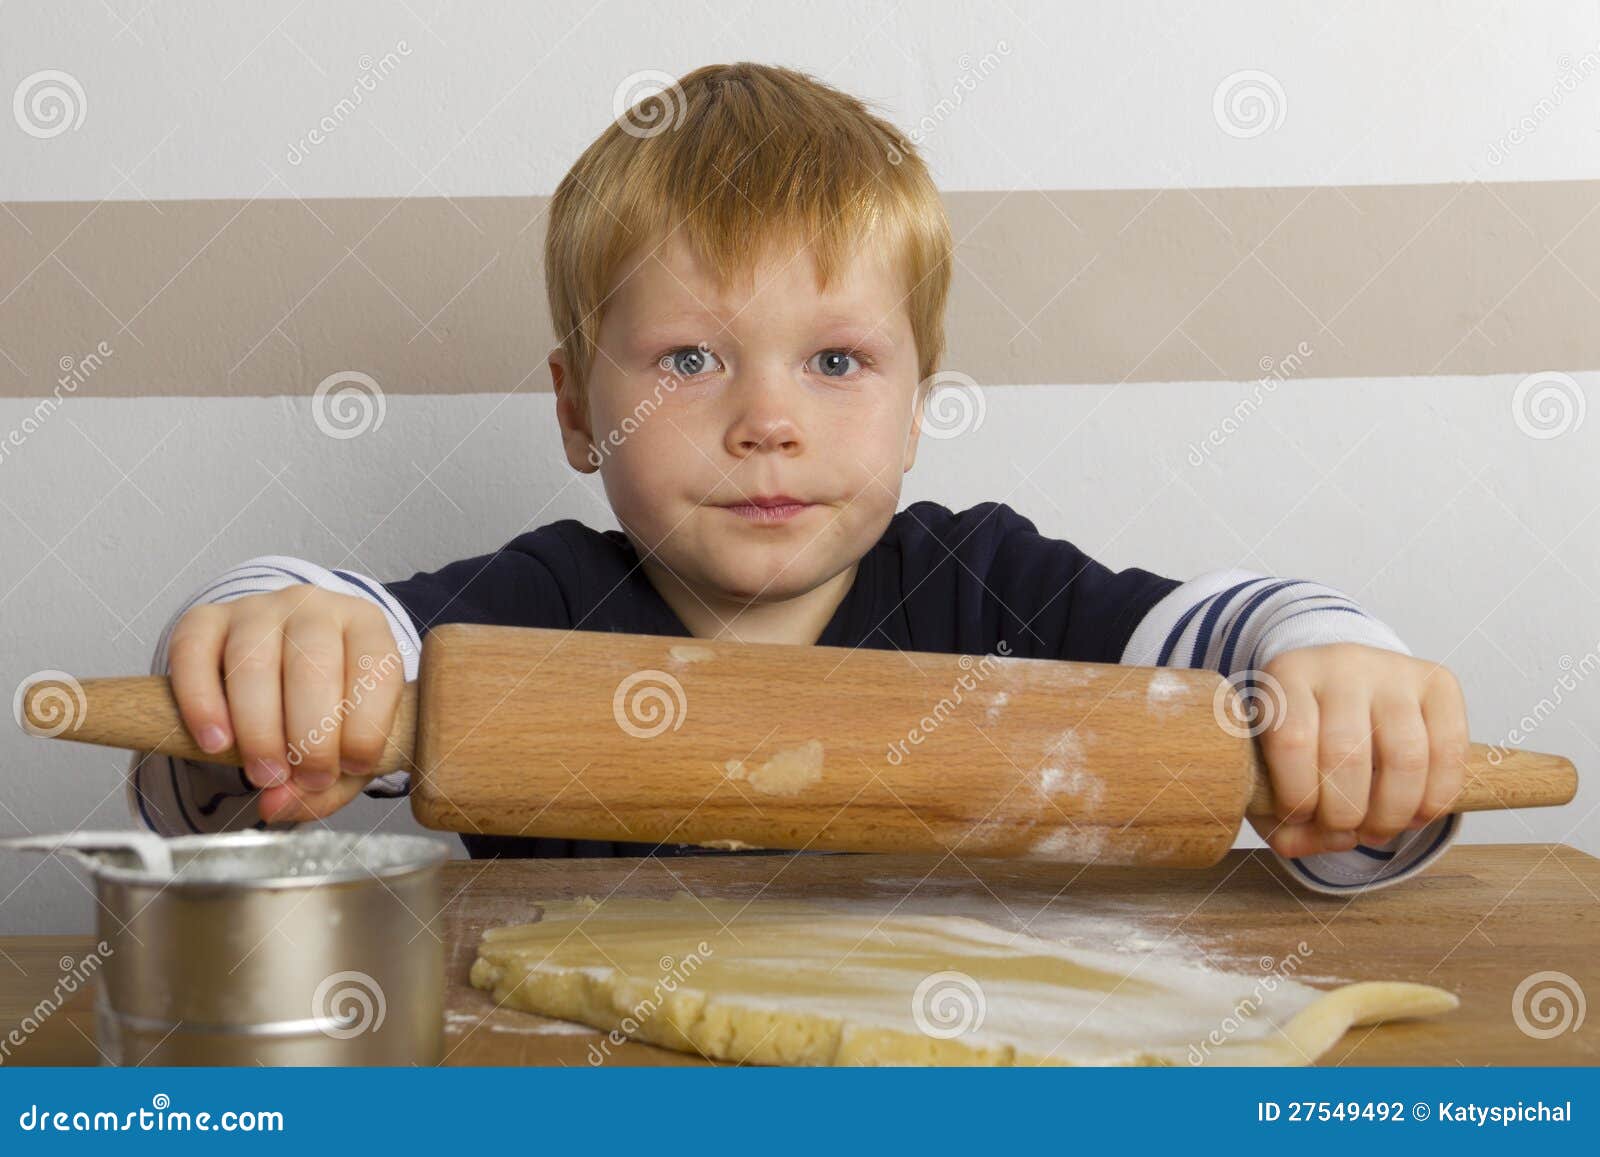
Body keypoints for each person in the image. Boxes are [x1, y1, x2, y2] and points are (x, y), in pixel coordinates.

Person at [128, 62, 1469, 894]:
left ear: (919, 405)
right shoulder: (540, 609)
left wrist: (1334, 675)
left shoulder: (984, 583)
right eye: (692, 358)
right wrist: (278, 646)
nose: (767, 421)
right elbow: (267, 760)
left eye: (835, 360)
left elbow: (1237, 673)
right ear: (577, 408)